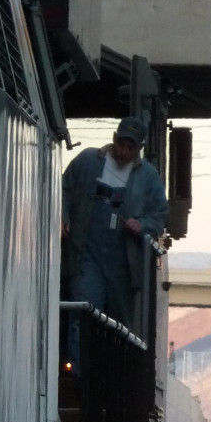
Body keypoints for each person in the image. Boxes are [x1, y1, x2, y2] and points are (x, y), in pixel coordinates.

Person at [61, 117, 168, 332]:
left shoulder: (148, 177)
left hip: (123, 265)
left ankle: (109, 365)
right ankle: (81, 364)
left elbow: (161, 215)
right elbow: (63, 188)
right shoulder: (88, 161)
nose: (124, 151)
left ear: (140, 148)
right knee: (85, 315)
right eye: (121, 144)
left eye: (131, 147)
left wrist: (141, 224)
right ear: (114, 138)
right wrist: (63, 216)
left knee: (118, 326)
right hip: (86, 256)